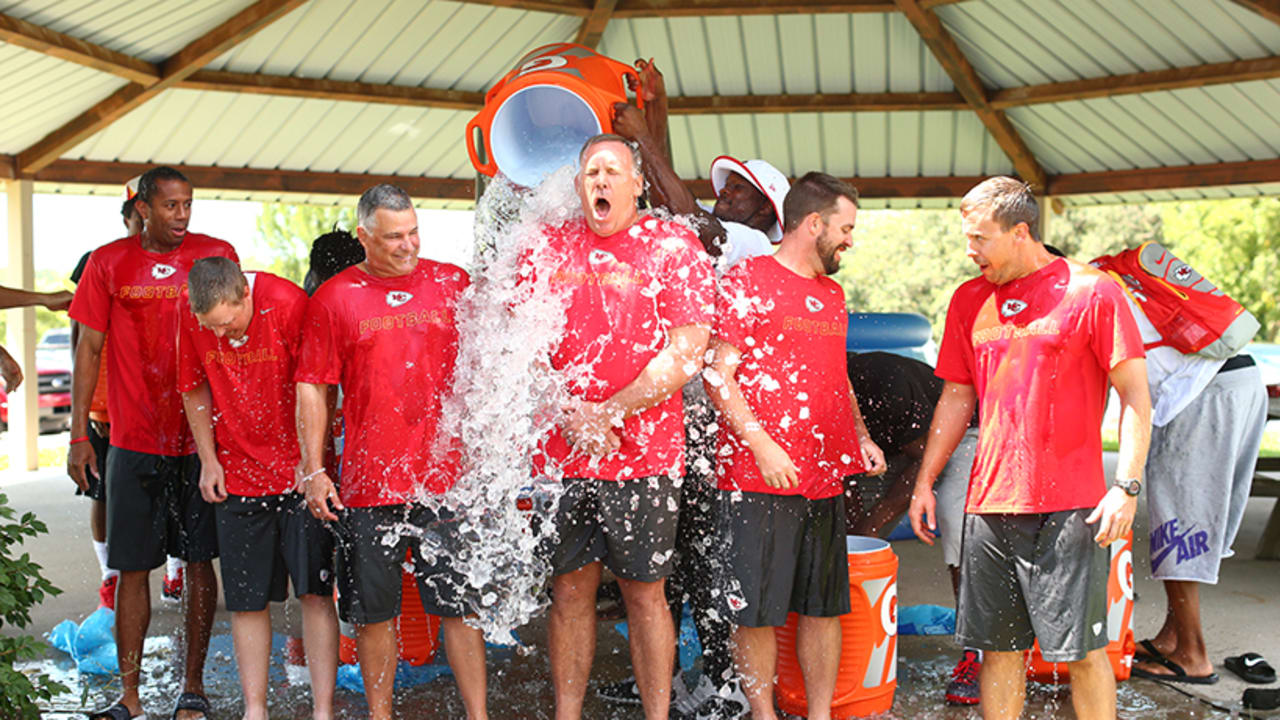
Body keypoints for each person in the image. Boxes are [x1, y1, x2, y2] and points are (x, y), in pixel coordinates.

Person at [907, 177, 1152, 720]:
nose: (970, 251)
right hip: (989, 504)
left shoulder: (1092, 291)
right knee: (999, 651)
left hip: (1072, 506)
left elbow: (1137, 397)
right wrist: (926, 480)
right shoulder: (969, 300)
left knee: (1084, 653)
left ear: (1021, 232)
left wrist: (1126, 487)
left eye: (980, 239)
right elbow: (955, 396)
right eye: (965, 238)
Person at [609, 59, 788, 719]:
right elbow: (664, 198)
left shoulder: (748, 245)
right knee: (671, 559)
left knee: (708, 557)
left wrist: (641, 138)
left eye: (737, 190)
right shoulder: (718, 232)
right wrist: (654, 109)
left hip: (714, 429)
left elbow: (680, 214)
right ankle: (673, 677)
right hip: (677, 422)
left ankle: (721, 685)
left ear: (765, 212)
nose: (724, 196)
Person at [538, 134, 714, 720]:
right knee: (568, 591)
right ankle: (567, 713)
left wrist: (607, 411)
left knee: (645, 594)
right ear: (578, 186)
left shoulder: (672, 246)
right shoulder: (549, 246)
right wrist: (570, 412)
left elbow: (689, 350)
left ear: (638, 183)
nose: (601, 182)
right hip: (563, 456)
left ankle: (657, 714)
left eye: (613, 172)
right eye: (591, 173)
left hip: (645, 456)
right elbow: (520, 349)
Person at [295, 184, 487, 720]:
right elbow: (313, 385)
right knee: (373, 615)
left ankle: (479, 715)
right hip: (368, 482)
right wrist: (314, 470)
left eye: (413, 233)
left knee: (460, 609)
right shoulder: (334, 298)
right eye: (393, 237)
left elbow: (496, 355)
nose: (408, 247)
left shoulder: (452, 282)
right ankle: (380, 715)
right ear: (364, 237)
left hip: (444, 480)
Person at [704, 172, 885, 720]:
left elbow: (839, 375)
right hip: (756, 477)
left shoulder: (833, 293)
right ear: (813, 224)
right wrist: (761, 446)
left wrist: (860, 434)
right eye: (845, 228)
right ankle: (763, 715)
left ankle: (821, 714)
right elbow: (717, 375)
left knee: (822, 608)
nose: (850, 240)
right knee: (754, 613)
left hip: (823, 476)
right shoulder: (746, 280)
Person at [67, 166, 238, 720]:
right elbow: (88, 350)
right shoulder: (108, 262)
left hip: (200, 442)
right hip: (132, 438)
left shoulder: (216, 254)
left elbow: (236, 332)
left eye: (188, 204)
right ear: (143, 207)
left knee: (197, 561)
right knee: (132, 567)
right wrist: (78, 436)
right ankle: (131, 697)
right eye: (170, 206)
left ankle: (193, 689)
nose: (182, 216)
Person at [178, 257, 339, 719]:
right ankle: (255, 709)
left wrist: (311, 465)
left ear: (245, 295)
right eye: (213, 328)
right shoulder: (194, 318)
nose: (223, 337)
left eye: (229, 324)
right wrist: (208, 460)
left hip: (297, 477)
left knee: (313, 591)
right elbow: (194, 388)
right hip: (238, 475)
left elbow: (316, 387)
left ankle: (323, 709)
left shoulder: (288, 303)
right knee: (246, 600)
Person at [1097, 262, 1268, 685]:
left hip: (1201, 392)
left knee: (1180, 521)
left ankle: (1193, 655)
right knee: (1188, 514)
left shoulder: (1082, 297)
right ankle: (1173, 636)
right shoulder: (1111, 278)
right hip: (1239, 378)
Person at [843, 350, 981, 705]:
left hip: (962, 432)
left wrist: (872, 522)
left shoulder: (883, 385)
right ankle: (847, 633)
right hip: (897, 444)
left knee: (957, 520)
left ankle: (976, 652)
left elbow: (927, 459)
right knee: (850, 538)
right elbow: (844, 473)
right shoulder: (815, 396)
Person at [69, 180, 182, 610]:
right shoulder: (100, 262)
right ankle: (110, 576)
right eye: (141, 216)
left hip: (170, 413)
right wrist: (83, 418)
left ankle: (175, 570)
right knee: (101, 496)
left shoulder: (187, 259)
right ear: (131, 214)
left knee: (176, 502)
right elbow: (84, 340)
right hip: (110, 410)